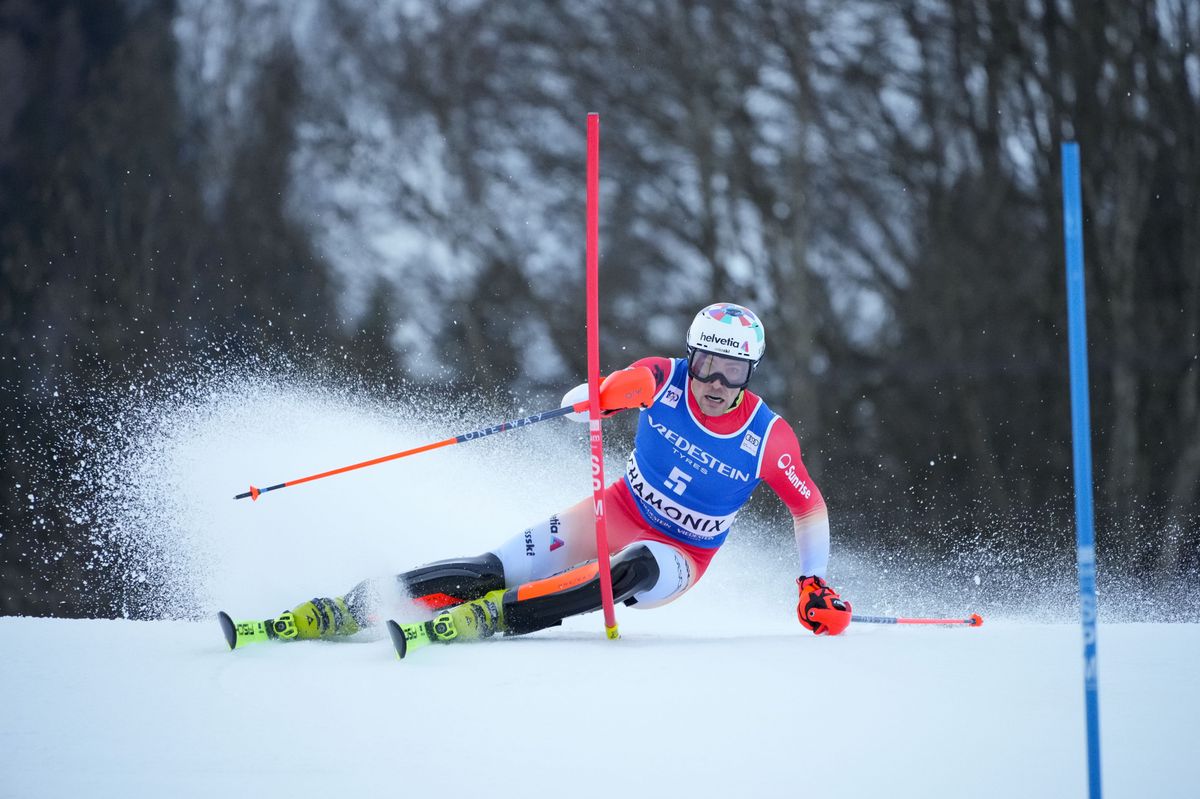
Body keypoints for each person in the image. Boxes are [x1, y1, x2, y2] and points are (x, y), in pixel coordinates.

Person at [222, 302, 850, 652]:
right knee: (490, 566)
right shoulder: (665, 379)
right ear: (693, 357)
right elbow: (617, 387)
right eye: (709, 366)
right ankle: (347, 607)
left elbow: (809, 507)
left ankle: (497, 618)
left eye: (733, 373)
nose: (716, 385)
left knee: (627, 569)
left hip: (680, 554)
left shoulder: (768, 437)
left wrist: (811, 583)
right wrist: (601, 398)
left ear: (751, 374)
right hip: (616, 507)